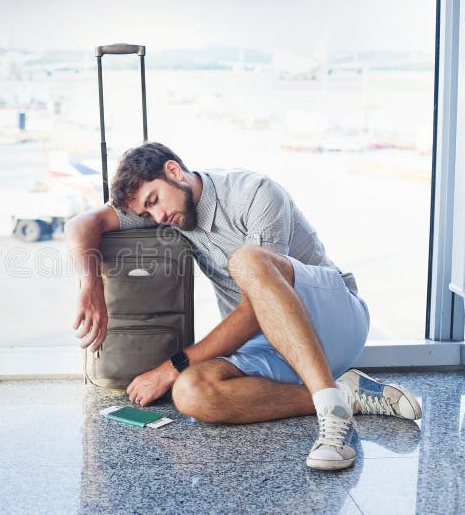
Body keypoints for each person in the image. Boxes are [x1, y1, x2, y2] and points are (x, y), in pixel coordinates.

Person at [65, 142, 422, 471]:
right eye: (146, 210)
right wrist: (90, 283)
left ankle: (334, 420)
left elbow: (257, 307)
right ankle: (344, 394)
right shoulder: (170, 212)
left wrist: (171, 366)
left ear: (174, 171)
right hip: (271, 344)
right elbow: (82, 224)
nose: (156, 217)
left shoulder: (255, 194)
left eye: (154, 200)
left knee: (246, 260)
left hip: (333, 319)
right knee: (190, 393)